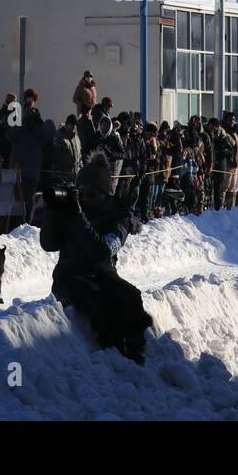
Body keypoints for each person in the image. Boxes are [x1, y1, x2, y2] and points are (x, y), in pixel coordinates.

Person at [40, 150, 153, 363]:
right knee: (93, 298)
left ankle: (134, 351)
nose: (84, 199)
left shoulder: (119, 217)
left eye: (91, 194)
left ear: (105, 194)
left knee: (128, 296)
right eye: (81, 193)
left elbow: (101, 251)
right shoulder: (72, 210)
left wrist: (77, 217)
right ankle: (109, 353)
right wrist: (52, 211)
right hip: (70, 277)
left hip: (104, 275)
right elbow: (49, 244)